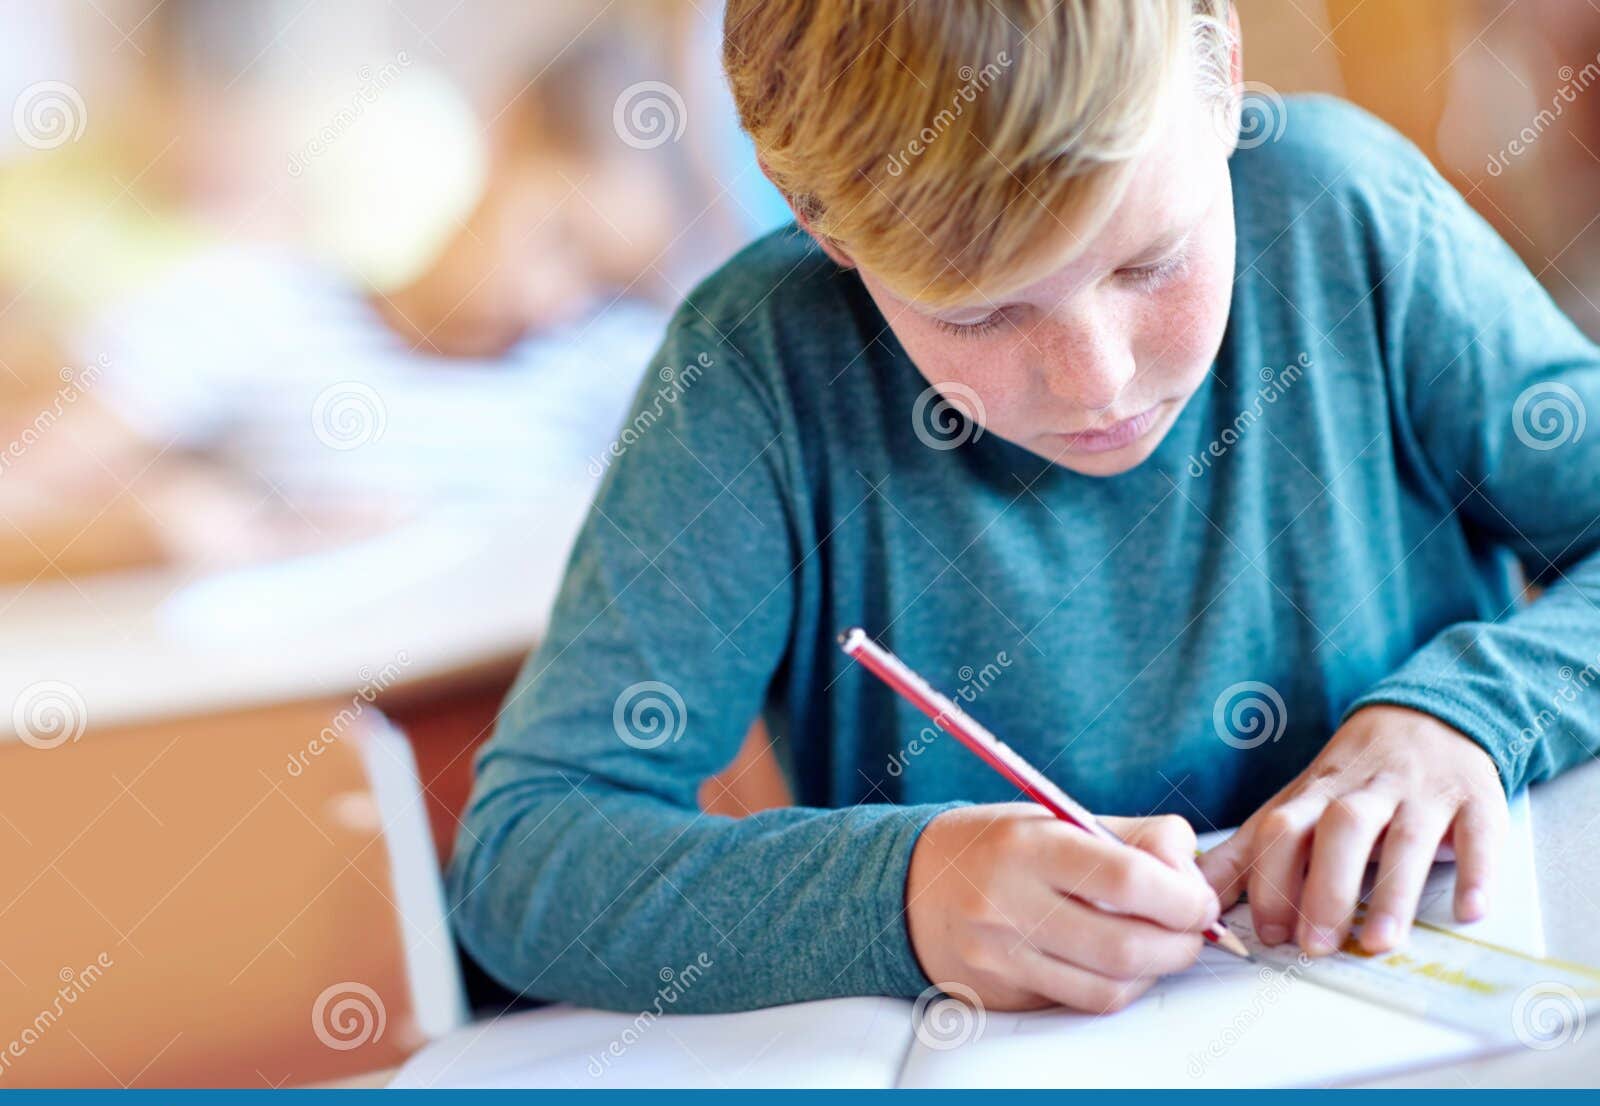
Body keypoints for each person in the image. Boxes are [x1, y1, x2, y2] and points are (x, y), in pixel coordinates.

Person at [447, 0, 1600, 1016]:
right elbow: (526, 857)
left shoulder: (1349, 218)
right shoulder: (756, 378)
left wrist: (1466, 716)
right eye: (984, 316)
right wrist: (906, 896)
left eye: (1149, 261)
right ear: (823, 225)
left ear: (1224, 68)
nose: (1097, 380)